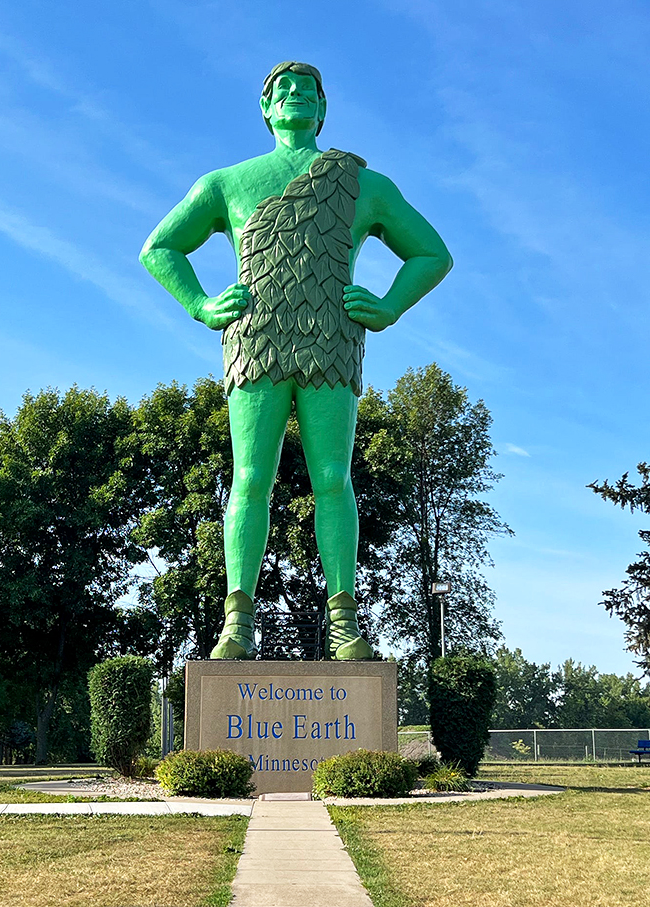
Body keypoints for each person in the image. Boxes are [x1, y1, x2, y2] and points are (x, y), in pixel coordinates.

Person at [140, 61, 452, 660]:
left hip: (331, 341)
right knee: (250, 478)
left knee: (333, 477)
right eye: (281, 91)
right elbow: (160, 247)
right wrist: (201, 305)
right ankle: (237, 621)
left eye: (306, 90)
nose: (293, 96)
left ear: (323, 109)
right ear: (265, 109)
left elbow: (432, 253)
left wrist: (387, 306)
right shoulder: (227, 183)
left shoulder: (365, 185)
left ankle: (344, 621)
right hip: (255, 340)